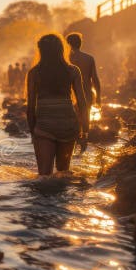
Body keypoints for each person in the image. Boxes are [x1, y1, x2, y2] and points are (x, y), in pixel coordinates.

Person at [26, 34, 89, 176]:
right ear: (62, 49)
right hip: (68, 126)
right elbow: (82, 103)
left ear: (41, 50)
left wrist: (33, 131)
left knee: (44, 176)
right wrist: (85, 129)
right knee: (63, 173)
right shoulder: (73, 71)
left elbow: (30, 107)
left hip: (44, 127)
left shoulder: (34, 73)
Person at [66, 33, 101, 122]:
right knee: (85, 119)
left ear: (67, 44)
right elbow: (95, 79)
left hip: (69, 95)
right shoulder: (89, 59)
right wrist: (98, 97)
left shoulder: (65, 59)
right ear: (80, 43)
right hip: (86, 94)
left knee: (71, 121)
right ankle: (85, 134)